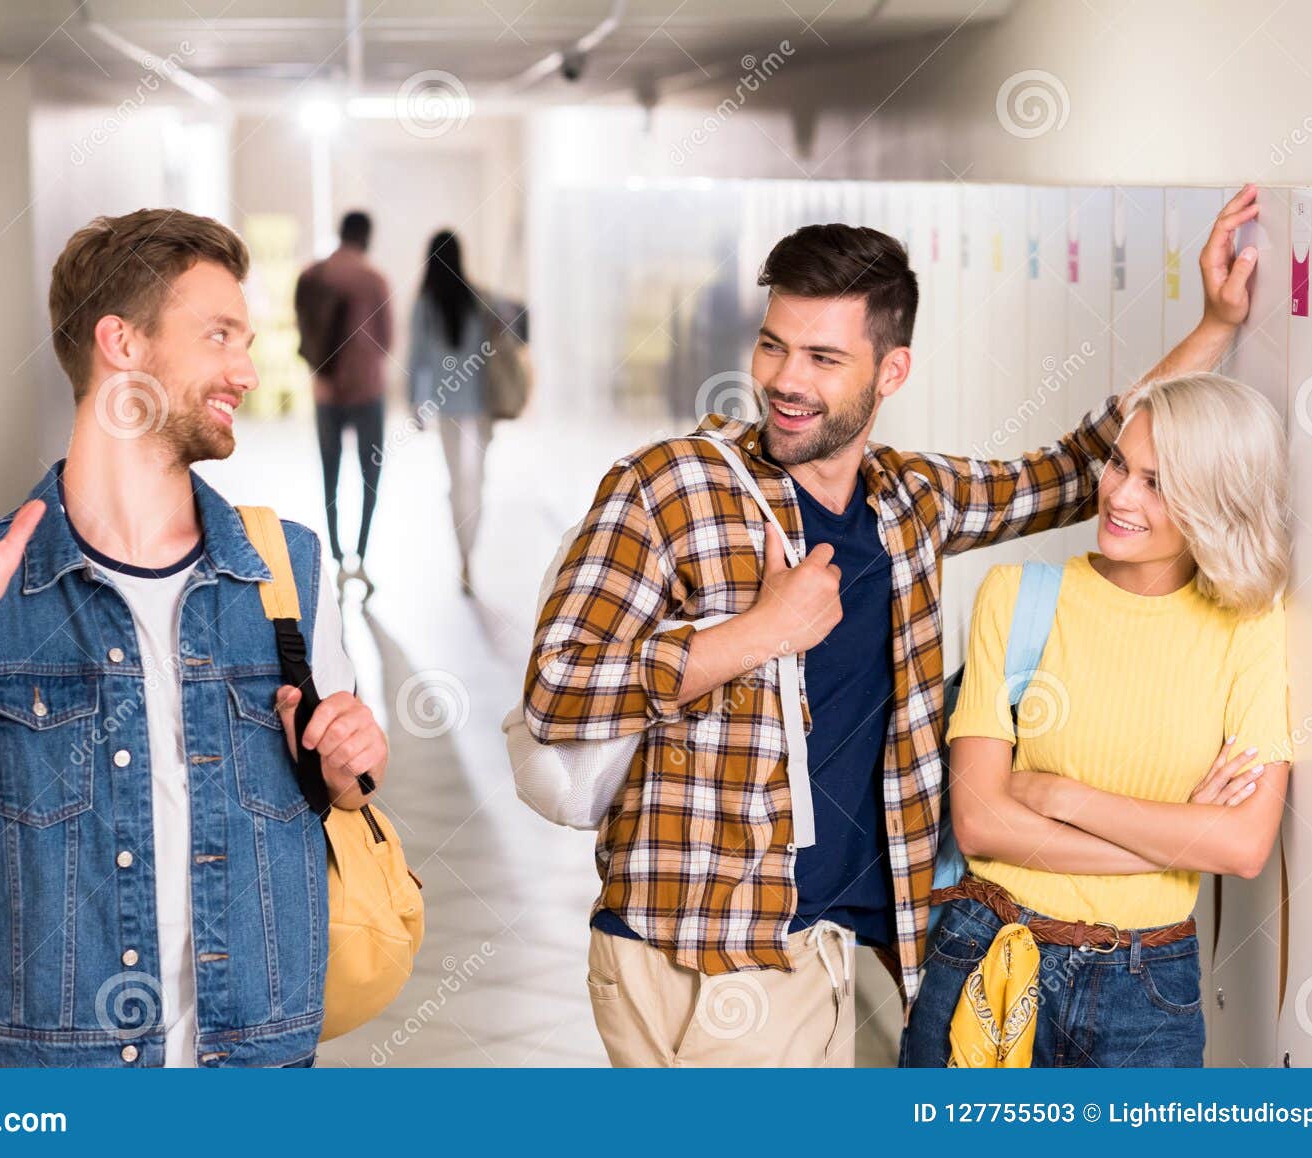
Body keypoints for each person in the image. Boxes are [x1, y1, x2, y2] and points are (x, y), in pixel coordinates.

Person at [523, 185, 1263, 1067]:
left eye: (823, 358)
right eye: (773, 345)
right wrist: (761, 632)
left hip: (815, 944)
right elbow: (557, 688)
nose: (786, 380)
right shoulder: (668, 486)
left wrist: (1215, 325)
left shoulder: (910, 501)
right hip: (705, 944)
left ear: (891, 372)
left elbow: (1075, 470)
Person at [0, 209, 389, 1068]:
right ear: (122, 344)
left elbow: (350, 784)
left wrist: (350, 766)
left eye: (247, 342)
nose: (247, 371)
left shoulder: (285, 570)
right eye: (219, 335)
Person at [901, 371, 1291, 1068]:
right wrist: (1179, 836)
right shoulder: (1017, 597)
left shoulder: (1250, 627)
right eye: (1118, 464)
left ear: (1216, 499)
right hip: (988, 951)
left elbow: (1241, 846)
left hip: (1147, 989)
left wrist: (1060, 796)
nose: (1119, 494)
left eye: (1158, 483)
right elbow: (982, 822)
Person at [407, 229, 519, 595]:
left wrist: (416, 404)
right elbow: (514, 322)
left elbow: (417, 359)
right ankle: (470, 550)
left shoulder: (425, 304)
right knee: (477, 480)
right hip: (481, 406)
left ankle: (464, 556)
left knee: (456, 481)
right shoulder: (479, 298)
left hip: (448, 408)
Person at [294, 209, 393, 598]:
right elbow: (386, 341)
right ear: (367, 236)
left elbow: (303, 332)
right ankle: (361, 559)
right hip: (367, 392)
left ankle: (335, 559)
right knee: (370, 476)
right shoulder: (374, 280)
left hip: (325, 390)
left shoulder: (311, 275)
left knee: (329, 473)